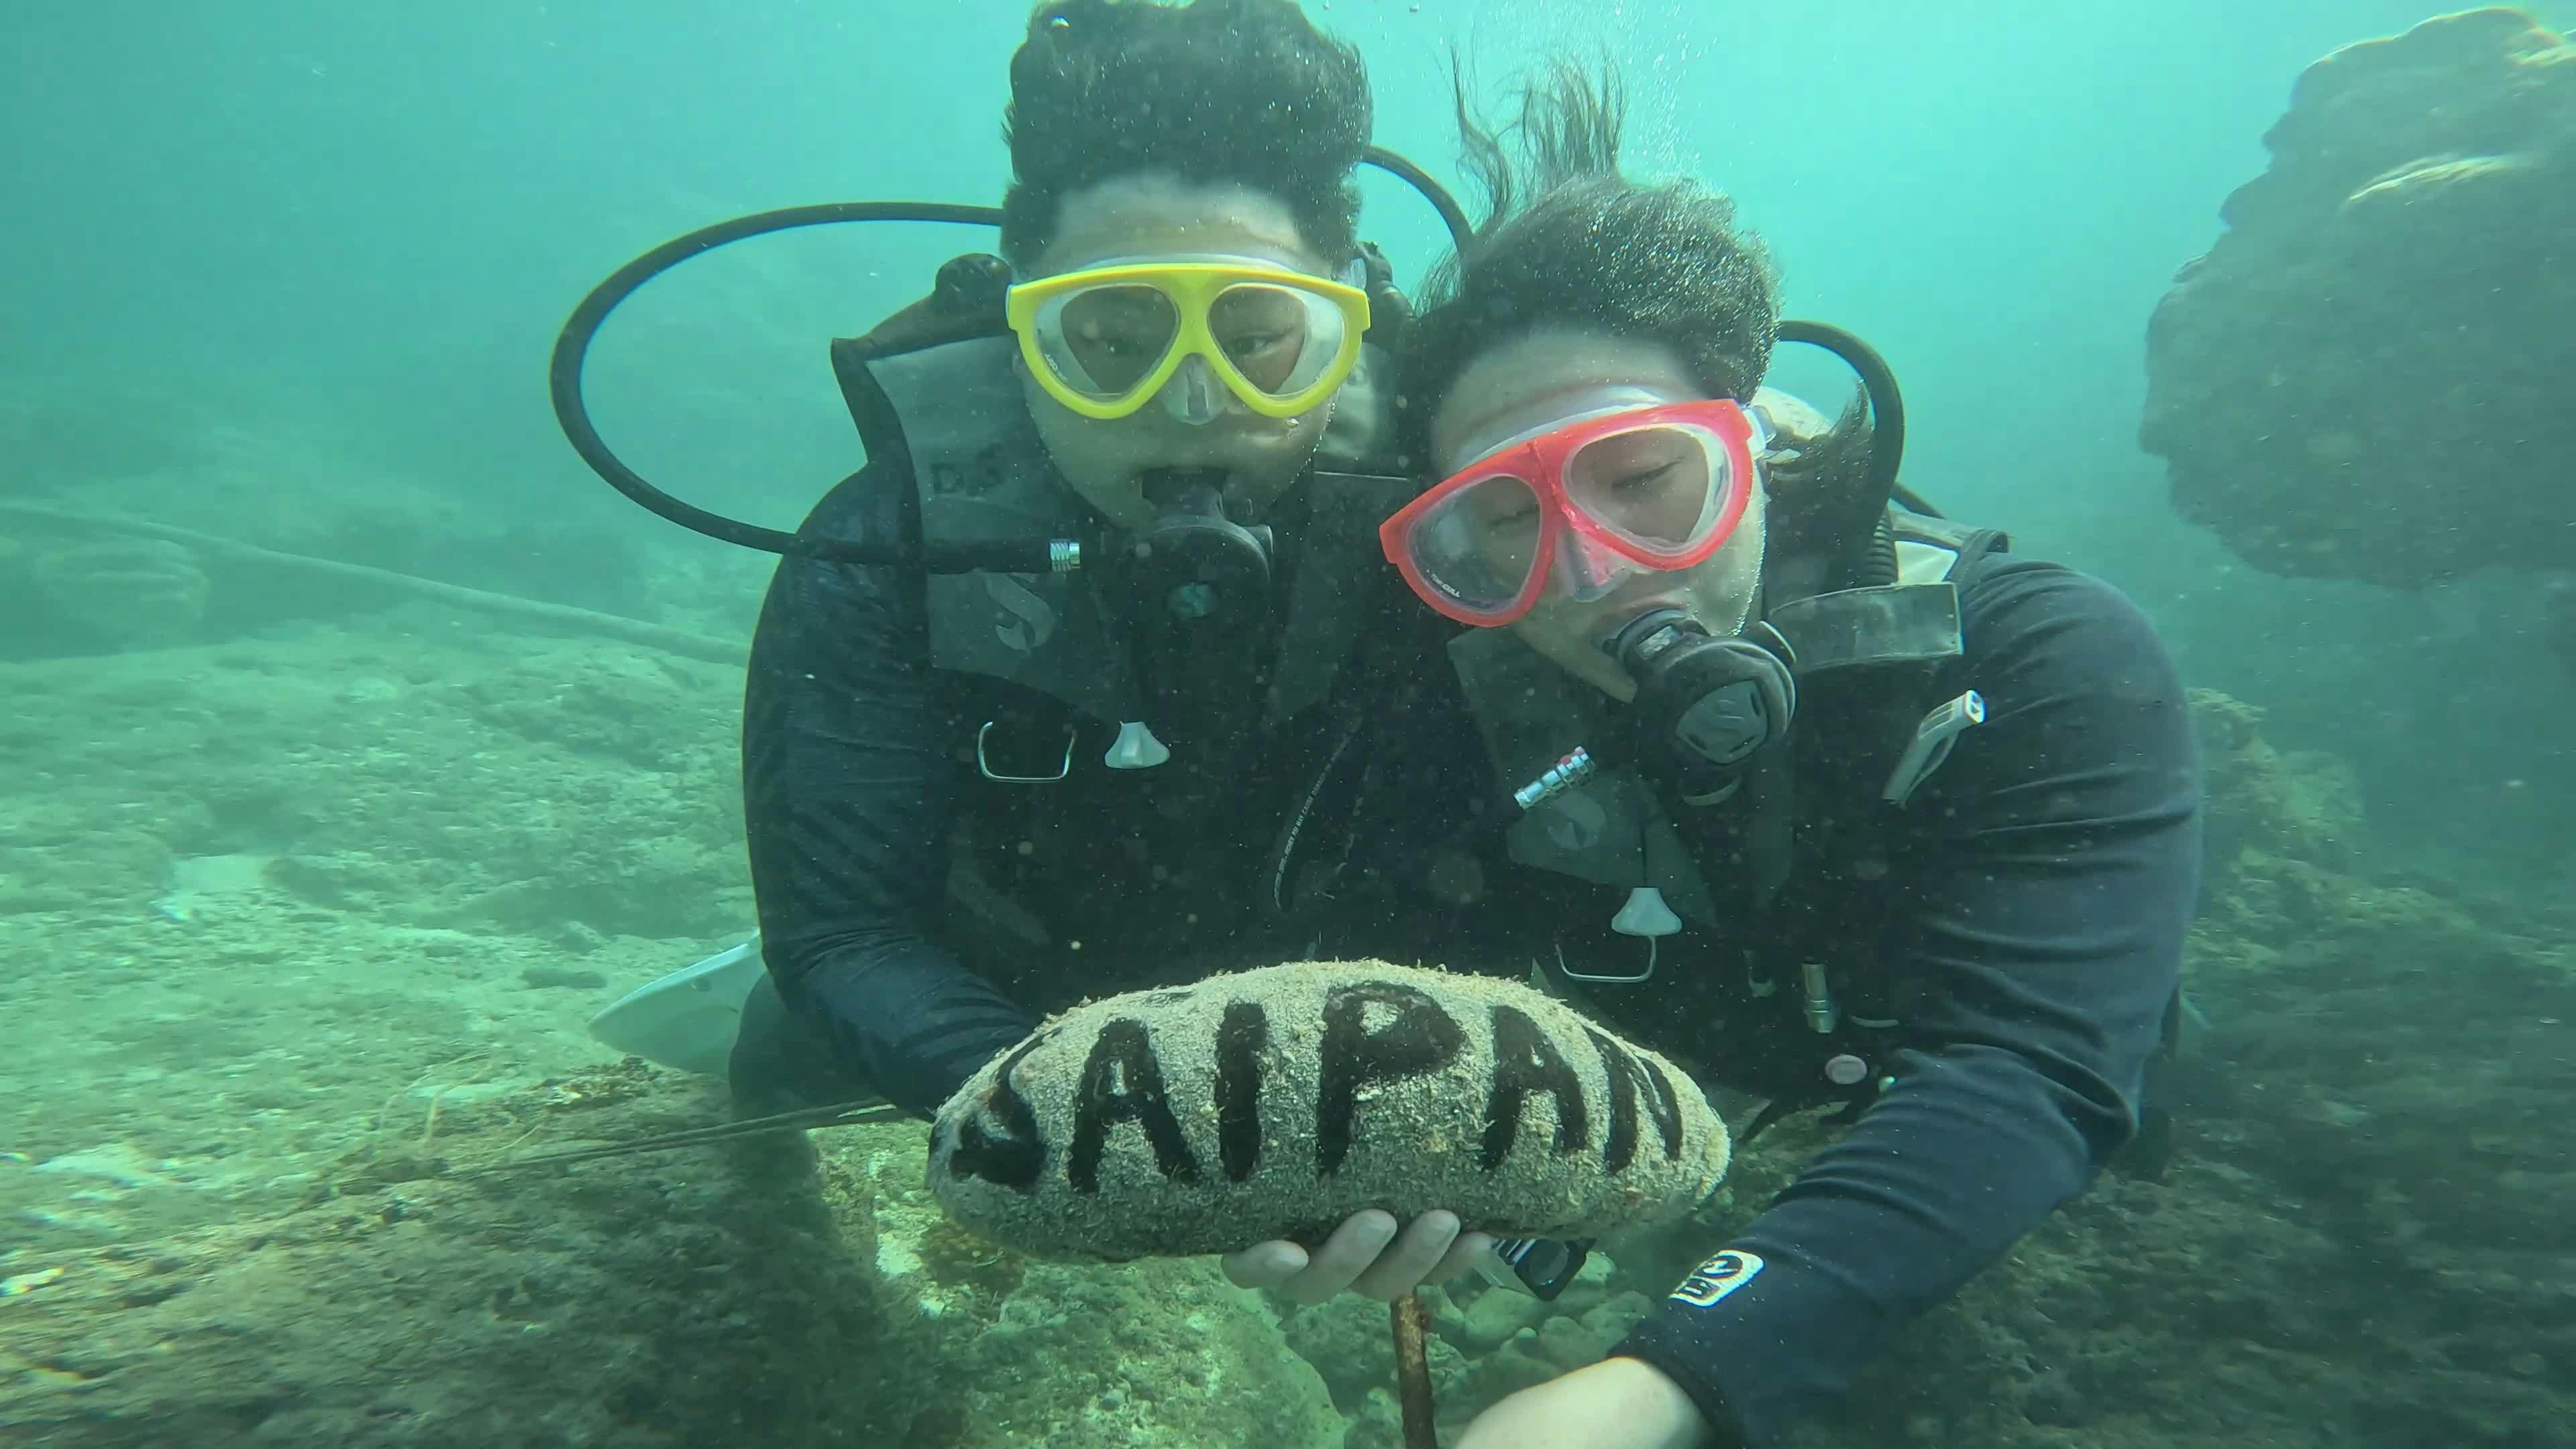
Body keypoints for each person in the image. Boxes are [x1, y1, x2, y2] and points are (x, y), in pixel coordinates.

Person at [1373, 68, 2202, 1448]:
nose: (1586, 572)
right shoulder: (1467, 707)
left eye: (1645, 479)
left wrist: (1666, 1380)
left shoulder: (2044, 657)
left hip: (1984, 1138)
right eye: (1499, 527)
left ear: (1750, 442)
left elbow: (2034, 1065)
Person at [730, 0, 1497, 1298]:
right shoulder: (887, 547)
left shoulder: (1463, 515)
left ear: (1348, 318)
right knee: (778, 1079)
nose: (1191, 406)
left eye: (1259, 341)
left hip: (1322, 1004)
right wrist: (1136, 1141)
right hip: (981, 982)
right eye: (1113, 343)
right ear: (1023, 334)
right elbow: (844, 937)